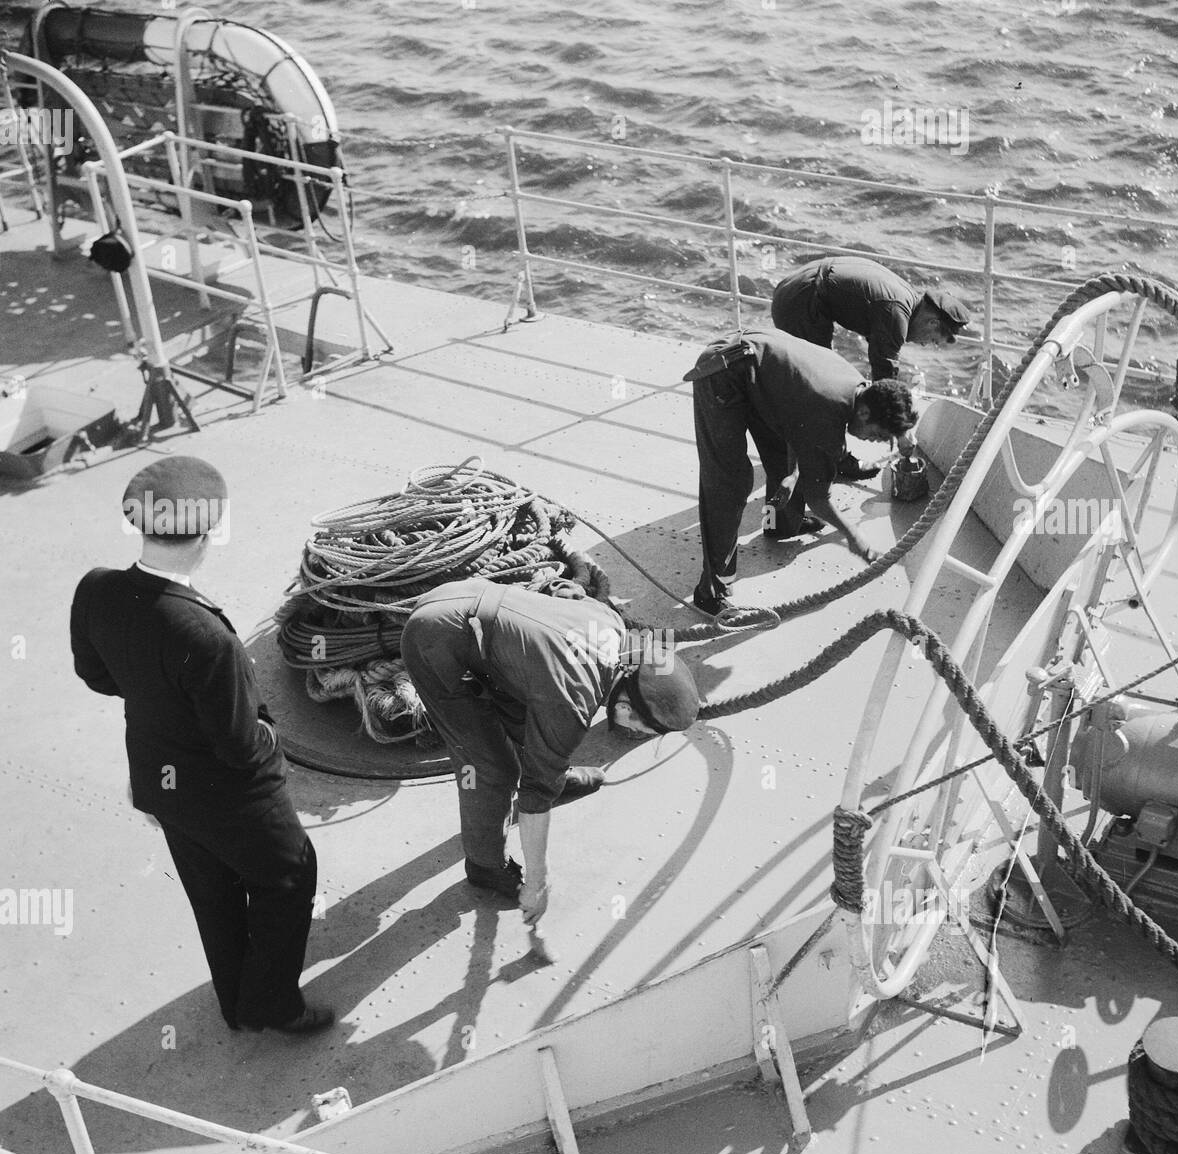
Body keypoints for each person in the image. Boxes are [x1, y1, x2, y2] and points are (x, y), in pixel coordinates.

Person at [69, 456, 332, 1036]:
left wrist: (161, 701)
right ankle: (271, 1005)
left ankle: (236, 999)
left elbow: (96, 675)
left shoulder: (95, 590)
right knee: (289, 875)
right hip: (232, 795)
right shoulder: (206, 634)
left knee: (212, 892)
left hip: (161, 783)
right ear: (208, 531)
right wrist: (269, 737)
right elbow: (241, 746)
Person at [401, 578, 700, 962]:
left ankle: (552, 771)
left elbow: (564, 599)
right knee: (492, 768)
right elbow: (534, 801)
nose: (638, 733)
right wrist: (538, 881)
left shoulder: (609, 625)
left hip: (464, 601)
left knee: (536, 718)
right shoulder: (573, 703)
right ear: (625, 710)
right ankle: (485, 865)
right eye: (645, 728)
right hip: (435, 644)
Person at [685, 327, 918, 616]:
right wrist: (853, 536)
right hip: (723, 373)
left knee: (783, 461)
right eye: (880, 434)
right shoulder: (829, 413)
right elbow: (818, 496)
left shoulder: (858, 388)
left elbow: (798, 418)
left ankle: (781, 524)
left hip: (760, 370)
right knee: (728, 484)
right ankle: (711, 593)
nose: (876, 442)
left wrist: (792, 473)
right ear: (865, 413)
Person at [771, 256, 969, 460]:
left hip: (802, 287)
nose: (926, 344)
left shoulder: (907, 299)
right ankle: (828, 459)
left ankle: (826, 454)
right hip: (800, 300)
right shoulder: (895, 313)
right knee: (818, 387)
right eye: (934, 340)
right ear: (933, 323)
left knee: (824, 379)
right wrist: (900, 431)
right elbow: (885, 377)